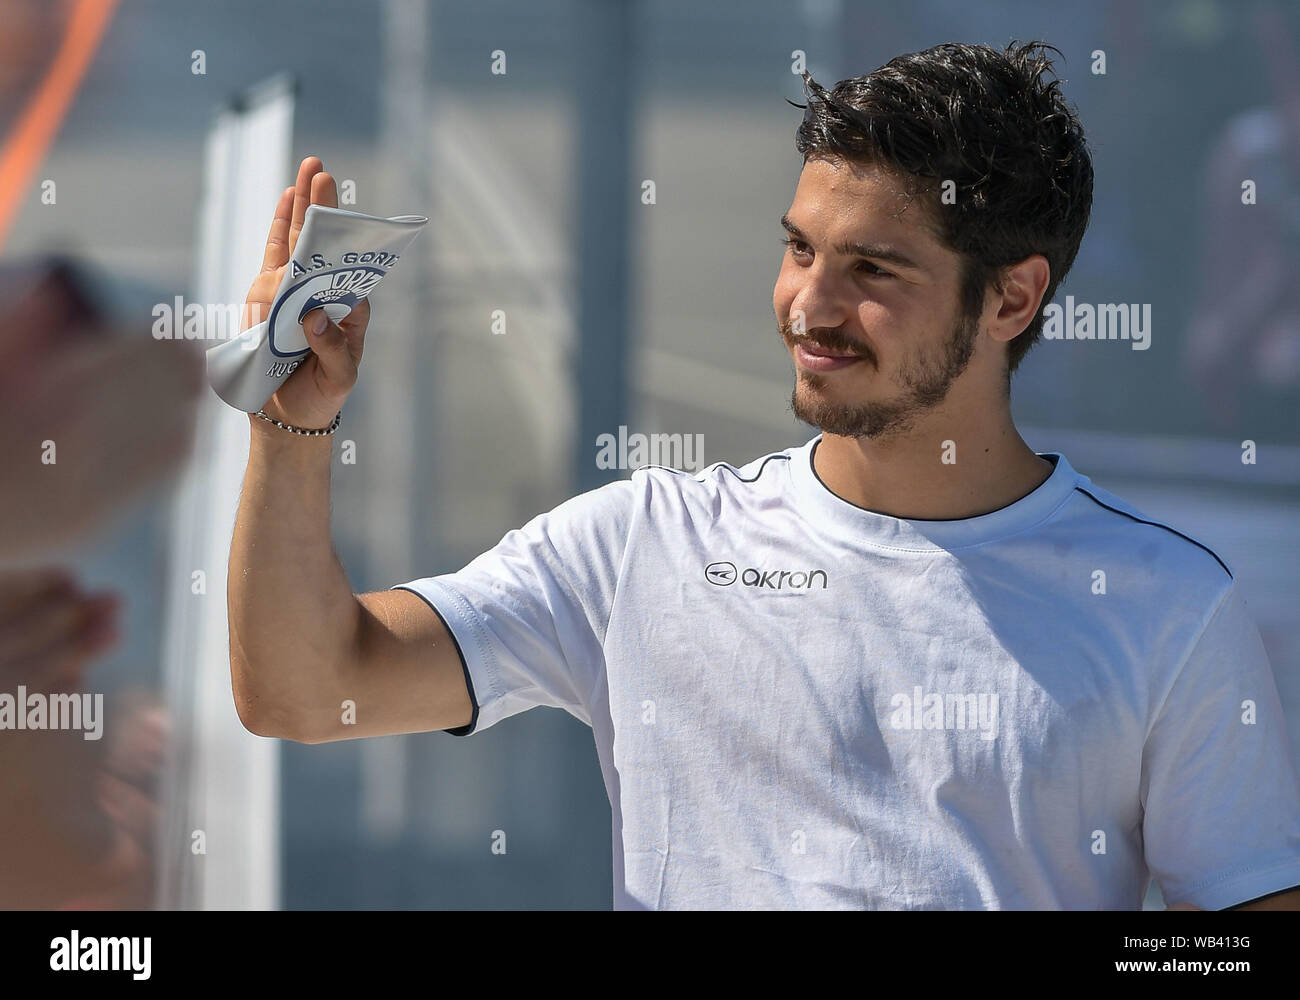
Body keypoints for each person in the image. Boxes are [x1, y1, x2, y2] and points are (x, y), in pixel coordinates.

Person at [227, 42, 1300, 910]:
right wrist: (291, 426)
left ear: (1011, 299)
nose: (808, 306)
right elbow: (303, 689)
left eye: (872, 268)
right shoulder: (641, 542)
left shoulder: (1164, 604)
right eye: (800, 249)